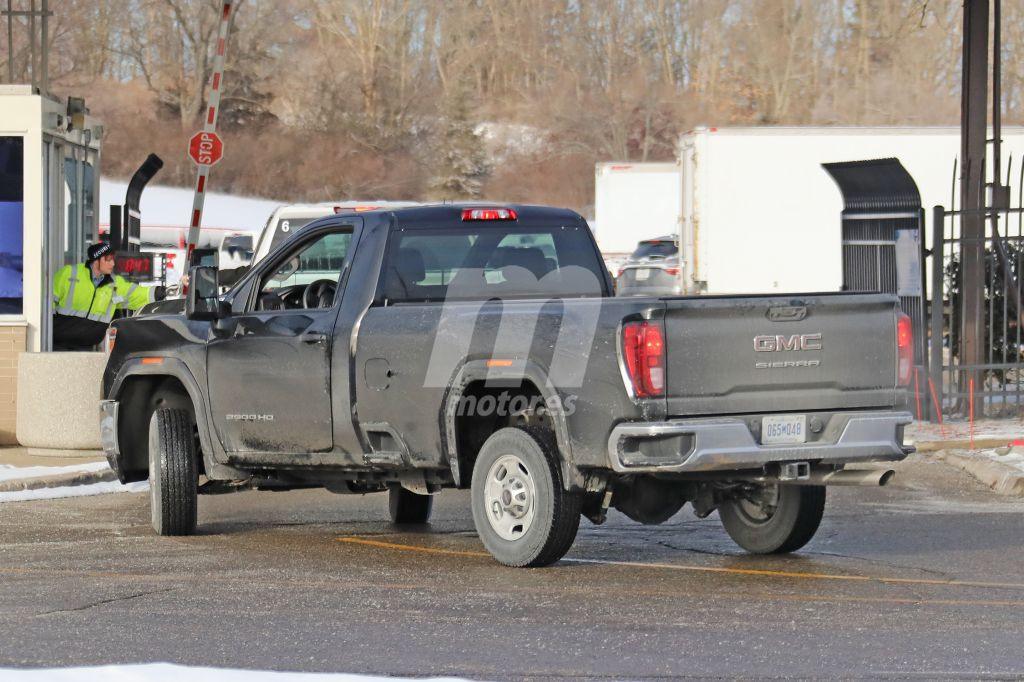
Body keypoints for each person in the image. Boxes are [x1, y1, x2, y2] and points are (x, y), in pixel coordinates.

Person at [52, 242, 166, 351]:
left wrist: (157, 293)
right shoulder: (69, 274)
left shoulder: (114, 284)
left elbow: (135, 294)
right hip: (56, 345)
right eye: (108, 260)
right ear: (96, 260)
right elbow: (47, 301)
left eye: (113, 259)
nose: (113, 264)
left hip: (87, 347)